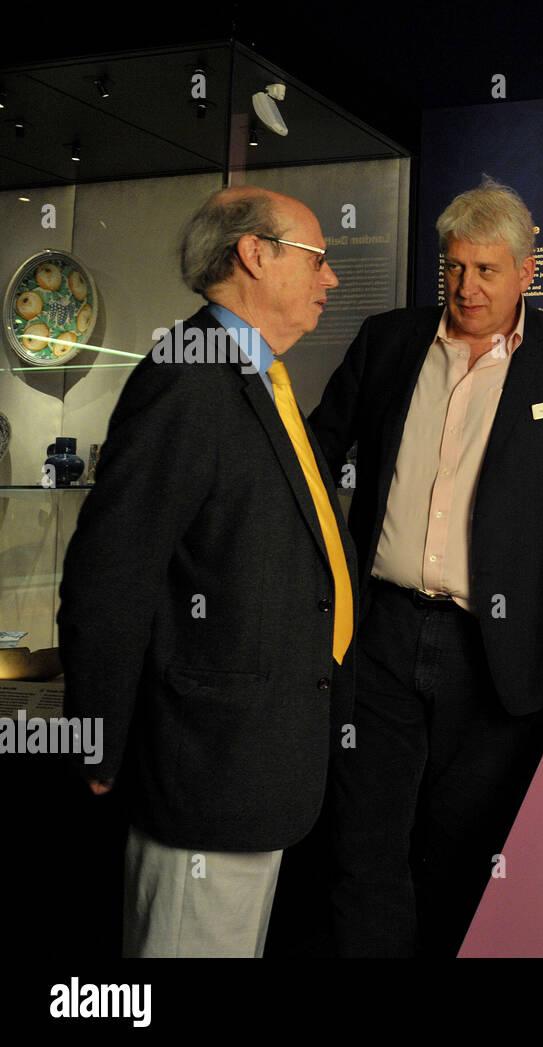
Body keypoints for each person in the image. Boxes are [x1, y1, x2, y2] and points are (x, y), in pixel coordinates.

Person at [310, 177, 543, 956]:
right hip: (380, 631)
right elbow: (315, 453)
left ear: (528, 272)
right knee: (364, 843)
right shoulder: (388, 340)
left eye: (488, 270)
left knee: (467, 846)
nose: (467, 287)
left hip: (498, 646)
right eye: (454, 267)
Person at [58, 185, 356, 957]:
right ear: (255, 253)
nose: (331, 279)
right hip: (205, 770)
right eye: (318, 259)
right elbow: (109, 573)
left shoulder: (260, 380)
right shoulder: (185, 380)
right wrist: (98, 738)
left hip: (258, 764)